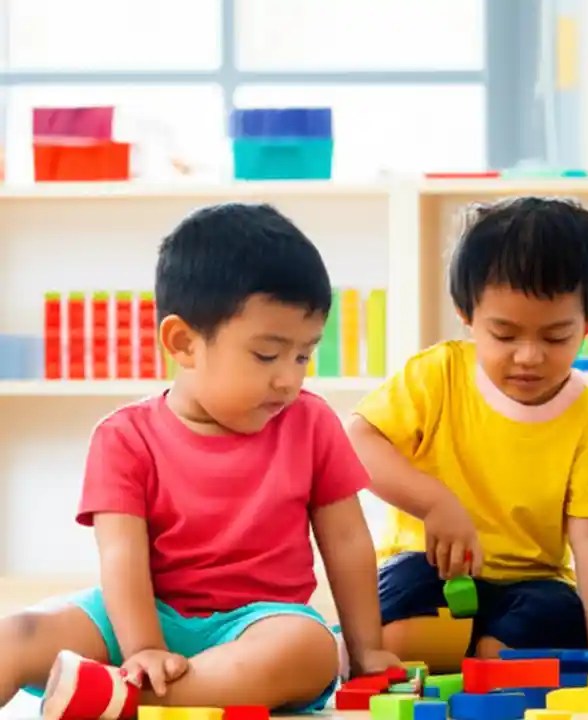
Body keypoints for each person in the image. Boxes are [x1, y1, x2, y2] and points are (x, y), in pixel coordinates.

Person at [0, 203, 399, 720]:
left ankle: (121, 700)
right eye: (266, 355)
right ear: (184, 343)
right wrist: (142, 647)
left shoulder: (312, 423)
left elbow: (346, 540)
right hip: (141, 615)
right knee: (16, 634)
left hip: (257, 625)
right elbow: (121, 556)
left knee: (309, 647)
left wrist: (366, 648)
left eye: (303, 355)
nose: (289, 379)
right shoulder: (124, 437)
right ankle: (128, 688)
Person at [347, 197, 588, 661]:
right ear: (467, 315)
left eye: (556, 337)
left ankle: (483, 653)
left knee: (533, 639)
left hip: (532, 585)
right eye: (504, 335)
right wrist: (433, 502)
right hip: (430, 569)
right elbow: (357, 442)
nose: (528, 356)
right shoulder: (436, 374)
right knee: (407, 640)